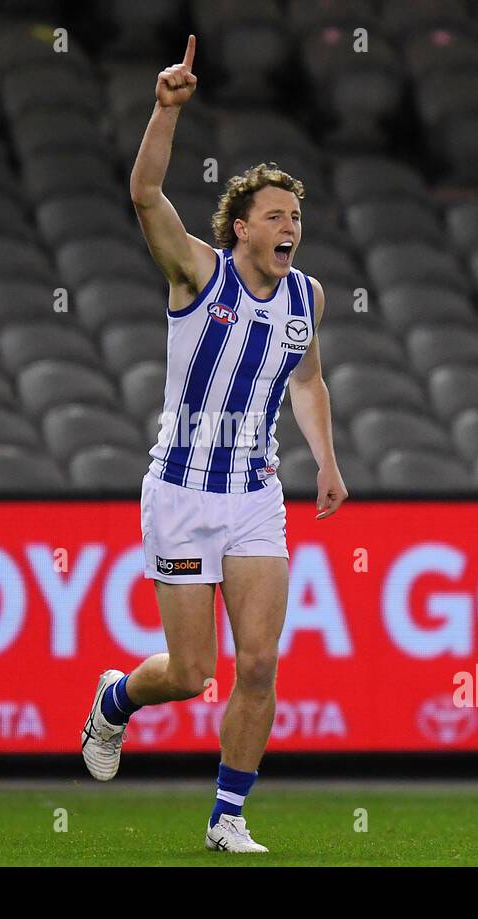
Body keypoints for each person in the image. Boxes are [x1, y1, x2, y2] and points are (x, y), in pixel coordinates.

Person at [80, 35, 347, 852]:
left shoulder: (307, 297)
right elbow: (145, 193)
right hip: (183, 491)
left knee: (259, 667)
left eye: (296, 215)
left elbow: (305, 380)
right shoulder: (198, 273)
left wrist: (328, 461)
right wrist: (166, 110)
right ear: (240, 227)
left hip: (256, 496)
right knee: (192, 673)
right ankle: (115, 700)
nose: (290, 225)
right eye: (276, 215)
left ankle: (227, 817)